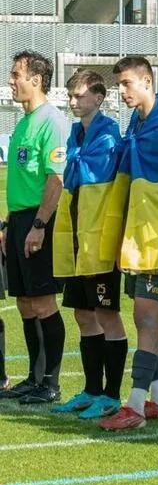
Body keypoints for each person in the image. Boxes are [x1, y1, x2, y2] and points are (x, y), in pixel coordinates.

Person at [99, 57, 158, 431]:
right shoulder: (140, 122)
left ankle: (135, 405)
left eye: (126, 84)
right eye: (119, 85)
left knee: (145, 316)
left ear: (147, 81)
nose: (121, 92)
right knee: (153, 319)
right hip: (140, 236)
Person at [51, 69, 128, 419]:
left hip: (100, 241)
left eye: (79, 95)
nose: (73, 102)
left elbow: (103, 184)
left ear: (98, 98)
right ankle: (91, 389)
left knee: (107, 315)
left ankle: (111, 394)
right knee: (84, 314)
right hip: (78, 240)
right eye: (70, 96)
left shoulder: (109, 135)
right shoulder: (75, 135)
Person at [0, 50, 68, 405]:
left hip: (41, 220)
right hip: (20, 221)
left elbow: (55, 179)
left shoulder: (52, 121)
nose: (11, 81)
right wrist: (12, 224)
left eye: (16, 75)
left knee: (43, 302)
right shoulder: (24, 122)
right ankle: (34, 376)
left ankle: (51, 383)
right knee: (25, 303)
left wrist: (39, 225)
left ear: (36, 80)